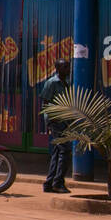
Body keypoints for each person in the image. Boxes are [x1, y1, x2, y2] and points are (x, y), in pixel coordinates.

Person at [41, 58, 72, 194]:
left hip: (64, 120)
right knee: (64, 150)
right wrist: (52, 119)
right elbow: (45, 103)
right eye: (65, 67)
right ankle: (58, 183)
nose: (68, 69)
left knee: (58, 152)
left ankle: (49, 183)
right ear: (58, 69)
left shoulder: (67, 83)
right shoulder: (52, 83)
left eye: (68, 67)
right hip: (55, 120)